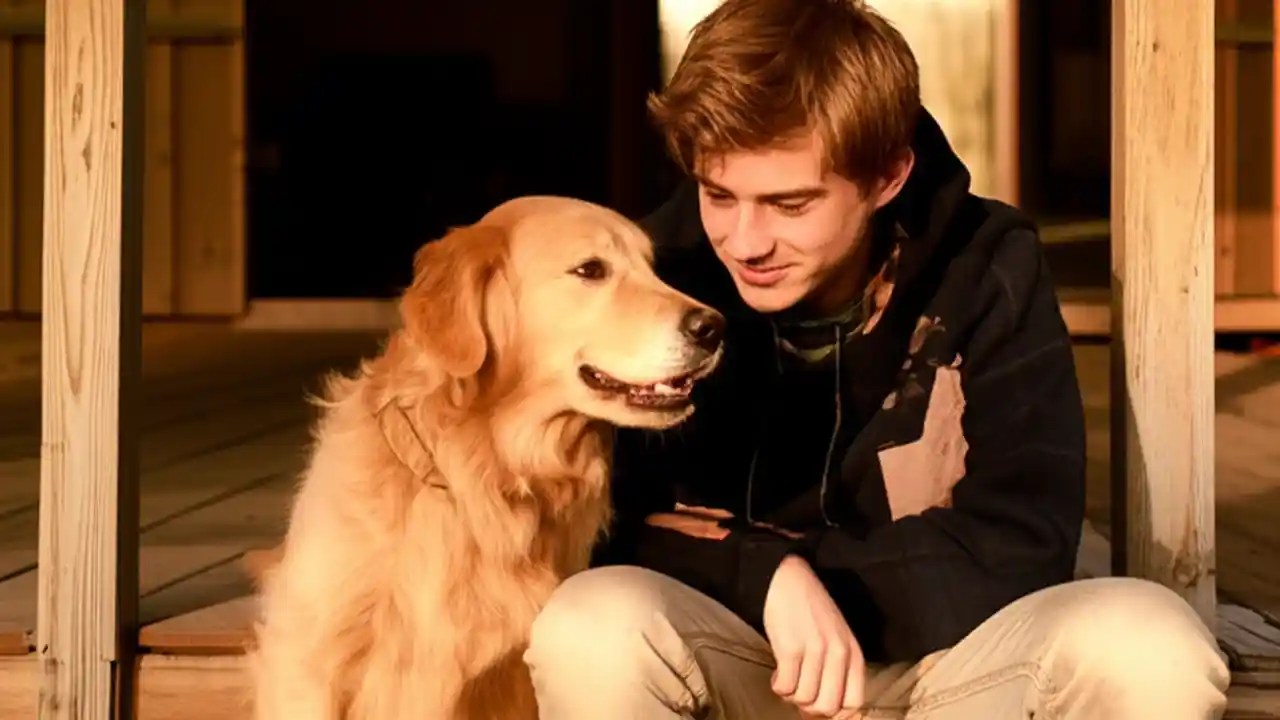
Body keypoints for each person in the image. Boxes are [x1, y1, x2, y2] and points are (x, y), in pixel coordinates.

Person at [522, 0, 1232, 717]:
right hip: (742, 655)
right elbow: (604, 522)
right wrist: (764, 578)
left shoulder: (988, 266)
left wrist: (812, 578)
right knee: (592, 622)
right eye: (718, 195)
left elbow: (1025, 536)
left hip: (951, 666)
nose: (744, 240)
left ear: (888, 177)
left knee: (1150, 643)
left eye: (789, 204)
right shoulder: (662, 279)